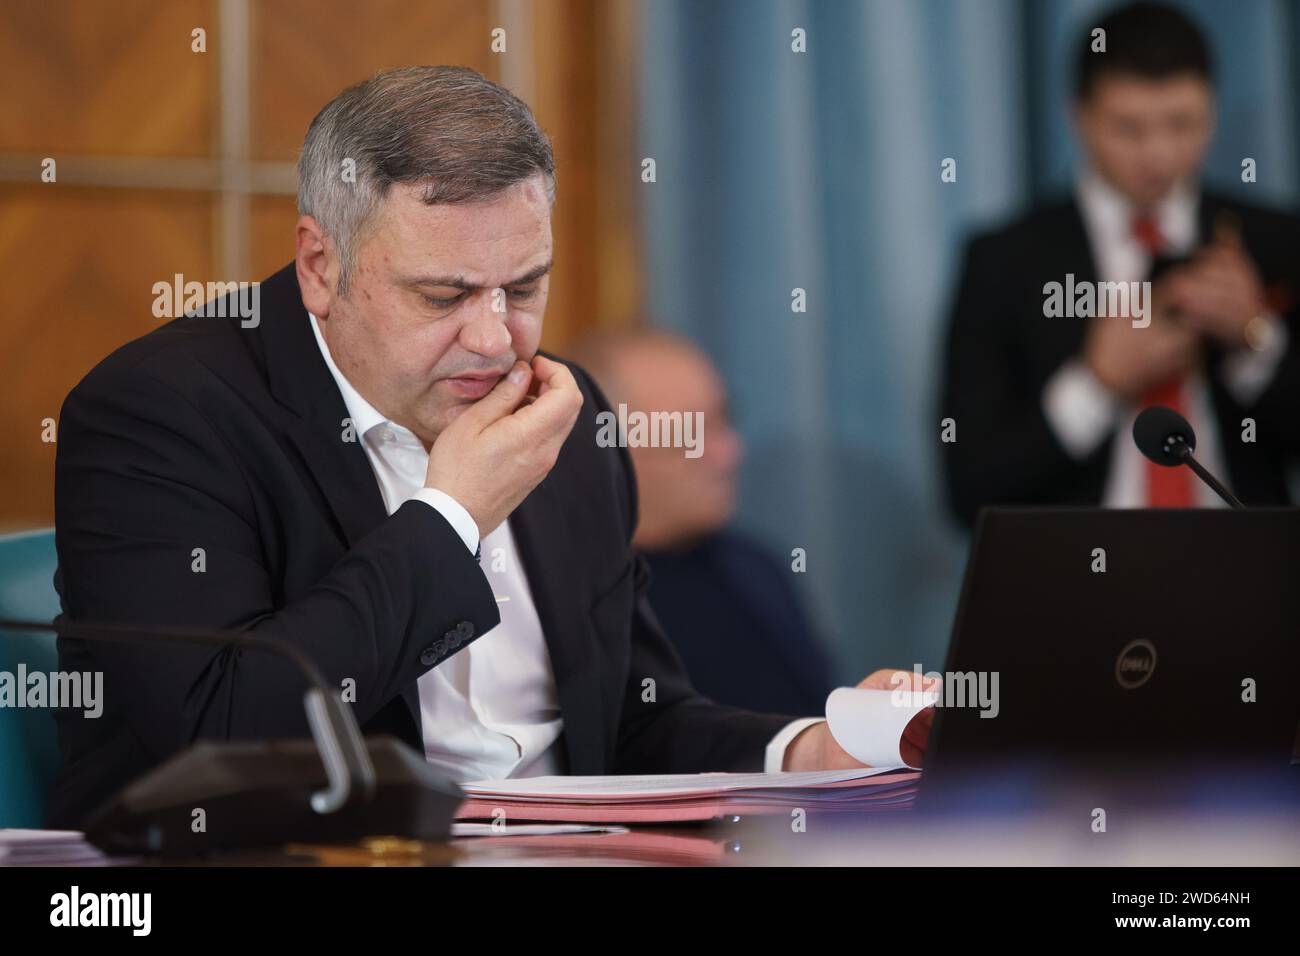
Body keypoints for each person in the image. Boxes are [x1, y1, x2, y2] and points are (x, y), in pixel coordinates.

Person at [49, 66, 929, 827]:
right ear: (321, 267)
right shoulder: (160, 415)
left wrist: (809, 750)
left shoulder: (566, 420)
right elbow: (225, 738)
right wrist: (454, 515)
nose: (494, 340)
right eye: (443, 296)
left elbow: (632, 726)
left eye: (524, 287)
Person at [941, 2, 1300, 528]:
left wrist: (1254, 341)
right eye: (1128, 128)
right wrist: (1096, 382)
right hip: (1077, 584)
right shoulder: (1004, 260)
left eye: (1182, 124)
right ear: (1078, 117)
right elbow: (967, 489)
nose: (1158, 155)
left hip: (1245, 575)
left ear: (1213, 110)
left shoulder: (1276, 241)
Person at [572, 329, 836, 715]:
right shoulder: (573, 602)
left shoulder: (757, 569)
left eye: (724, 421)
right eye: (692, 435)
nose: (730, 452)